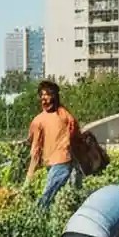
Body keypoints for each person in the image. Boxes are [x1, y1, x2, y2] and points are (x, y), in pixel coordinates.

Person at [25, 80, 80, 209]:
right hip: (64, 164)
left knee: (45, 201)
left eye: (48, 95)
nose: (44, 99)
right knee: (61, 200)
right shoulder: (65, 115)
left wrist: (29, 177)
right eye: (42, 96)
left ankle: (37, 217)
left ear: (54, 97)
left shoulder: (41, 120)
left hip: (60, 163)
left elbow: (35, 151)